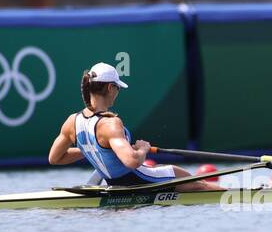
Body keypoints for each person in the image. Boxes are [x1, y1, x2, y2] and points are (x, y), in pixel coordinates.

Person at [47, 62, 221, 190]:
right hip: (140, 182)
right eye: (118, 88)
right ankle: (241, 196)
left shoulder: (72, 121)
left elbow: (54, 158)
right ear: (110, 87)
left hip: (118, 183)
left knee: (168, 172)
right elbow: (131, 161)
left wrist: (93, 150)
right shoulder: (110, 123)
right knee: (201, 185)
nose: (117, 93)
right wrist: (143, 149)